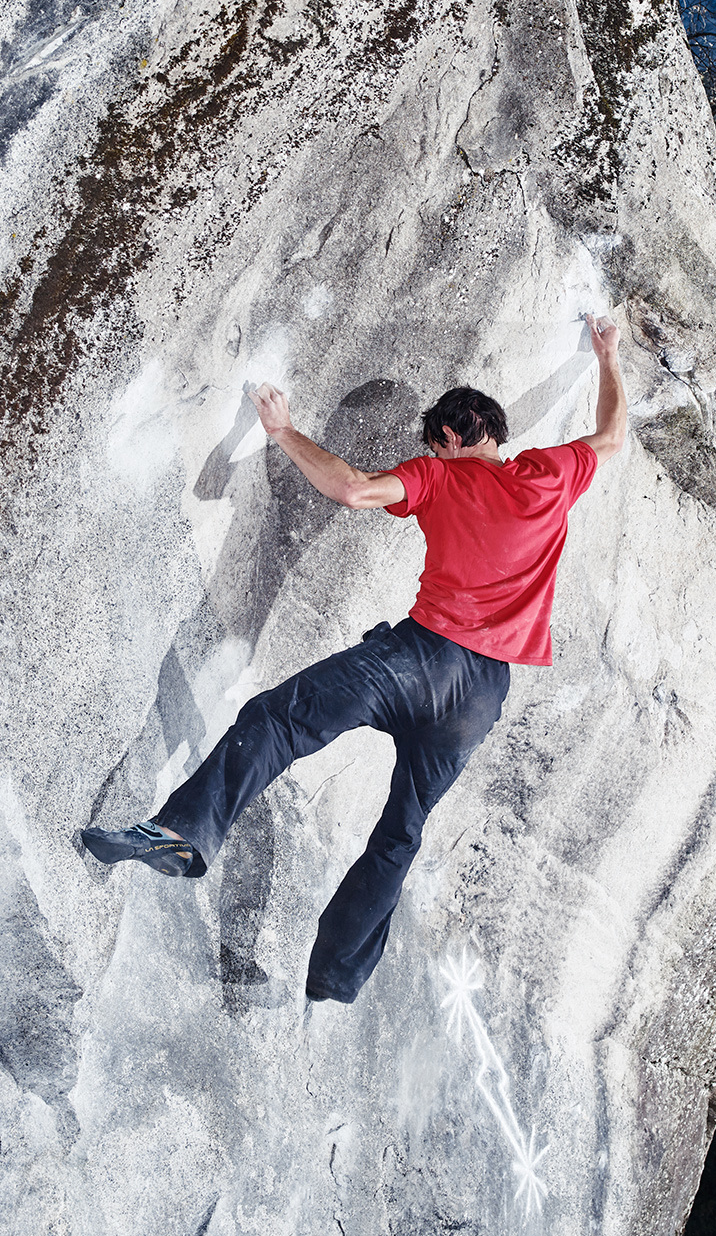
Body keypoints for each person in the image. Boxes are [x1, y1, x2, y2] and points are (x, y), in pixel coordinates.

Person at [82, 315, 626, 1003]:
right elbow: (611, 435)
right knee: (402, 831)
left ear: (450, 438)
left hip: (419, 659)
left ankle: (181, 832)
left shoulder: (438, 474)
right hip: (484, 694)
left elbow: (353, 487)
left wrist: (282, 431)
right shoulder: (550, 474)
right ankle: (336, 976)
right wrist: (608, 357)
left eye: (435, 444)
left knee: (279, 720)